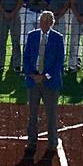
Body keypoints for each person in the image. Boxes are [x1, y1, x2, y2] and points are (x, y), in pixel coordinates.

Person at [23, 10, 66, 153]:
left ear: (52, 23)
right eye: (43, 21)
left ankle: (52, 142)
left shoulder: (58, 38)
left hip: (50, 82)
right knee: (32, 113)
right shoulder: (32, 36)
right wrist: (32, 74)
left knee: (51, 113)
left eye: (48, 22)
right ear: (39, 21)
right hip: (33, 81)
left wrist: (45, 76)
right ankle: (31, 140)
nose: (45, 24)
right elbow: (27, 57)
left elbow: (59, 62)